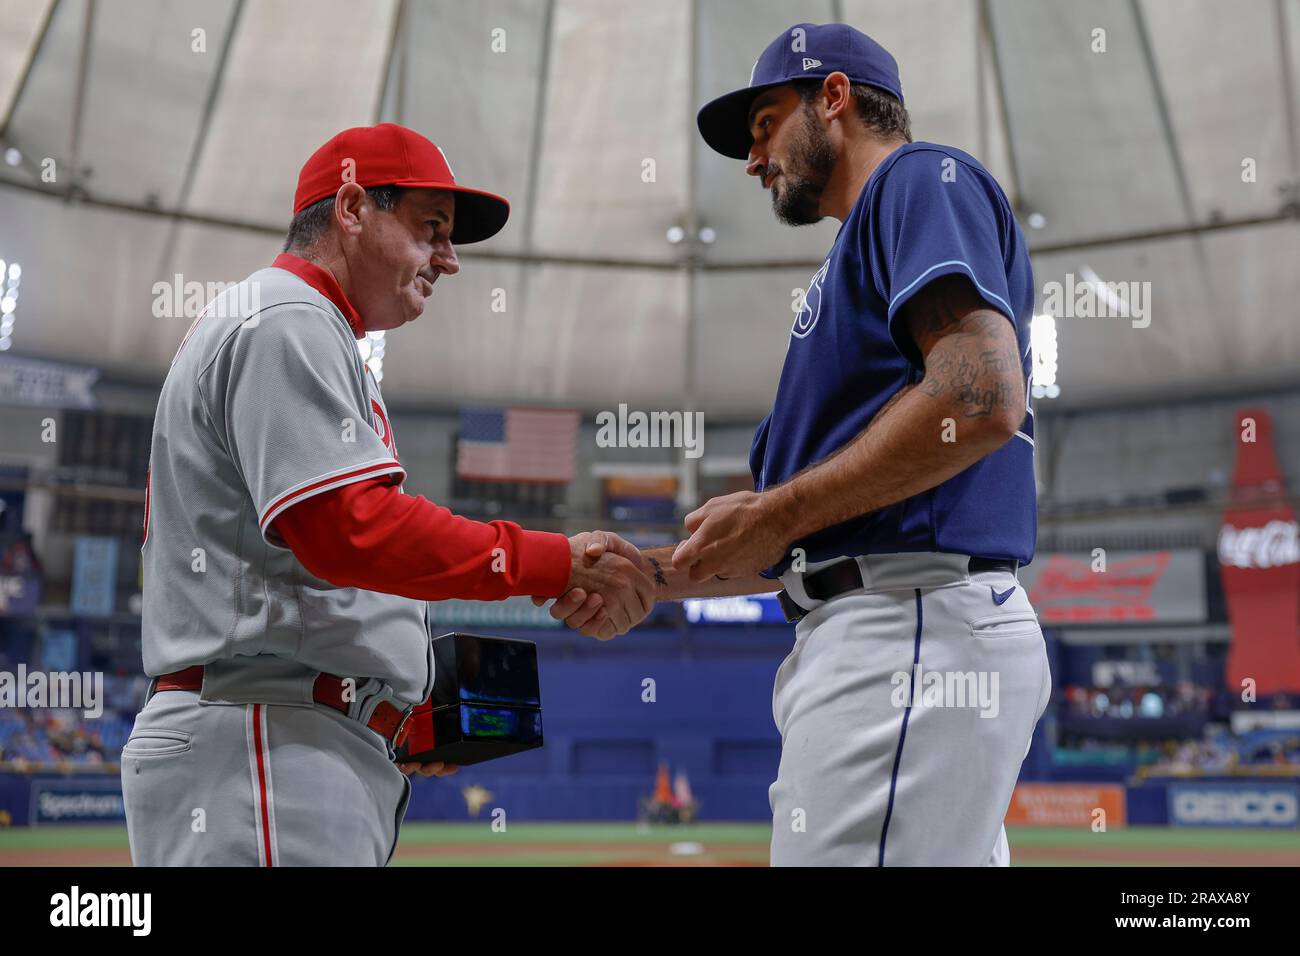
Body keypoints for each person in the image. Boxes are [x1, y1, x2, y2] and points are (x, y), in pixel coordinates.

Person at [552, 23, 1051, 866]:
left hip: (908, 630)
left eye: (764, 124)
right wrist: (650, 580)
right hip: (893, 632)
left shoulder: (920, 179)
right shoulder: (854, 259)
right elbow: (798, 539)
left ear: (834, 97)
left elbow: (980, 393)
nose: (752, 160)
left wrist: (778, 511)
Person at [123, 124, 653, 866]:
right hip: (264, 738)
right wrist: (551, 562)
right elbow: (351, 531)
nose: (450, 258)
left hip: (287, 734)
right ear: (350, 209)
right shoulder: (287, 317)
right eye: (431, 228)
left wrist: (395, 707)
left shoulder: (304, 327)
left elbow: (329, 563)